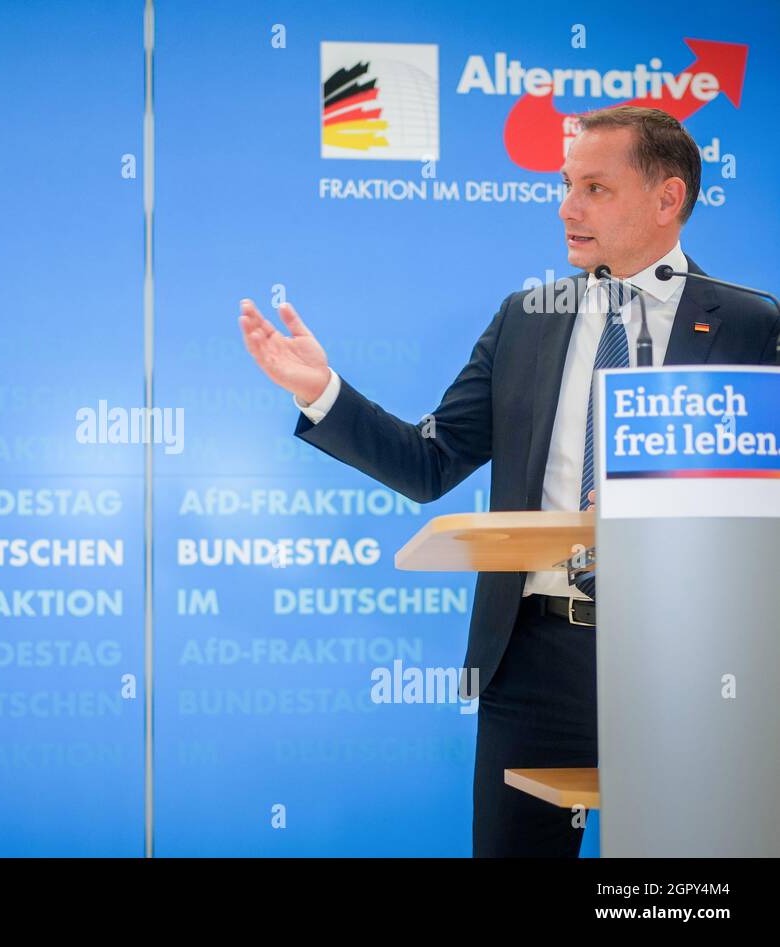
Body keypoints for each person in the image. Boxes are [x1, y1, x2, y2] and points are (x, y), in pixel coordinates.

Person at [238, 105, 779, 857]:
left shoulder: (753, 326)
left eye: (595, 187)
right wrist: (323, 391)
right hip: (531, 660)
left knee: (676, 895)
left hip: (685, 659)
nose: (566, 207)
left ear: (668, 198)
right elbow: (429, 463)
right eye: (565, 185)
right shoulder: (526, 318)